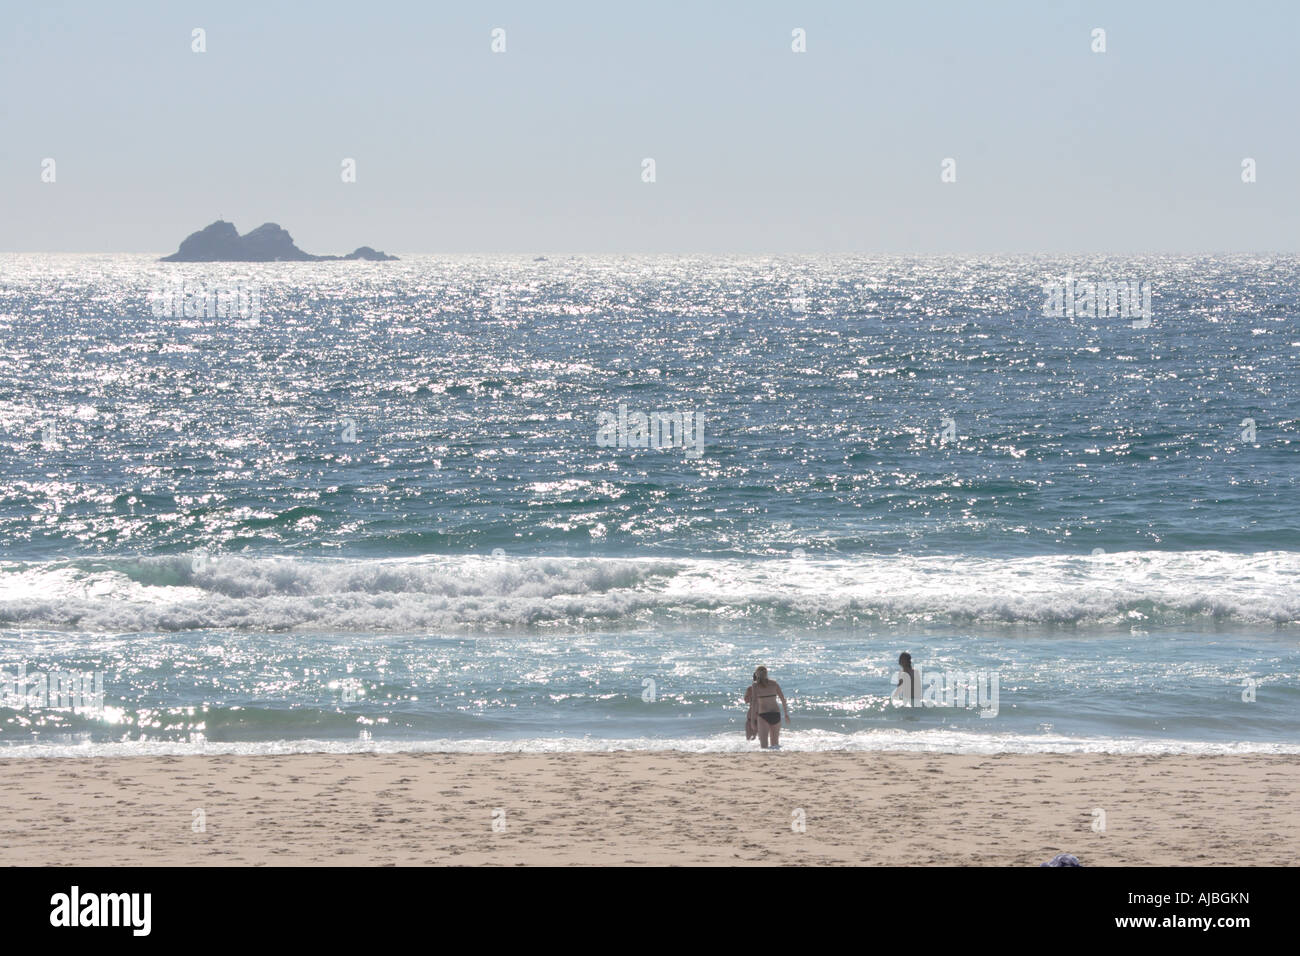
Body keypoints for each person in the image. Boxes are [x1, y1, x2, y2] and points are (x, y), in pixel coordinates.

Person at [745, 666, 789, 749]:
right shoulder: (774, 683)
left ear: (756, 674)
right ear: (766, 674)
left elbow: (754, 702)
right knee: (775, 745)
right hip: (776, 714)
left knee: (764, 745)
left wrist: (752, 721)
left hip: (763, 715)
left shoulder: (755, 685)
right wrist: (786, 714)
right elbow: (783, 699)